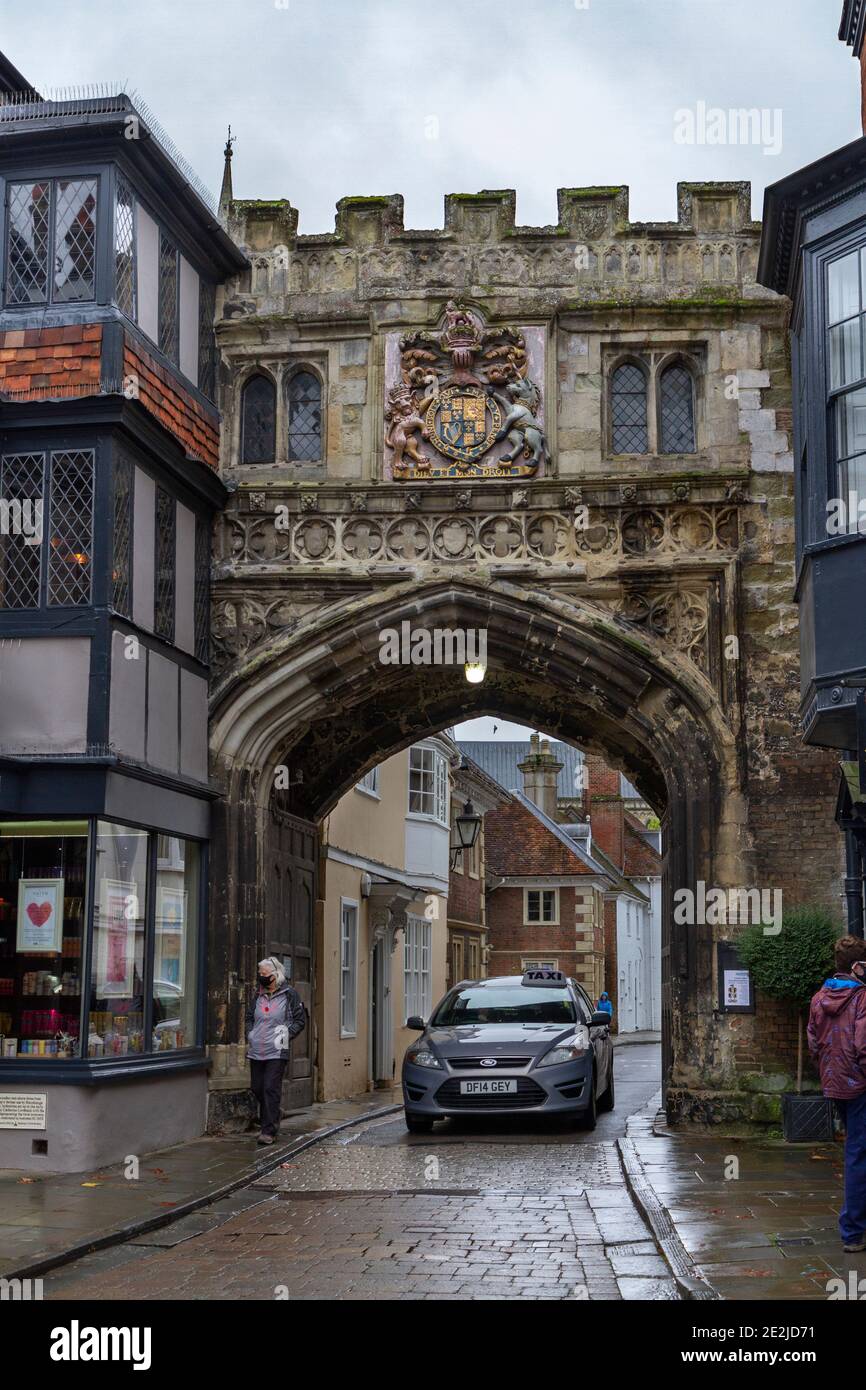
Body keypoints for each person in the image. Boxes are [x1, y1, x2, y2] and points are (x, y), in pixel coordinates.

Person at [808, 935, 866, 1253]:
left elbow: (813, 1042)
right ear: (857, 966)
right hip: (859, 1086)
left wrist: (830, 1072)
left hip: (835, 1086)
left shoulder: (819, 997)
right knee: (858, 1155)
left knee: (856, 1152)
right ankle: (853, 1232)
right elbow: (864, 1046)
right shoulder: (861, 999)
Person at [245, 956, 306, 1146]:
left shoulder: (289, 995)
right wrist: (250, 1034)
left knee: (270, 1088)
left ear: (275, 975)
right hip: (257, 1049)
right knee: (257, 1088)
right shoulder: (257, 995)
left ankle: (268, 1130)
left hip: (277, 1051)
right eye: (259, 974)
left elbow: (300, 1020)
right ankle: (274, 1113)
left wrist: (285, 1035)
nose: (261, 977)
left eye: (264, 974)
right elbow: (249, 1017)